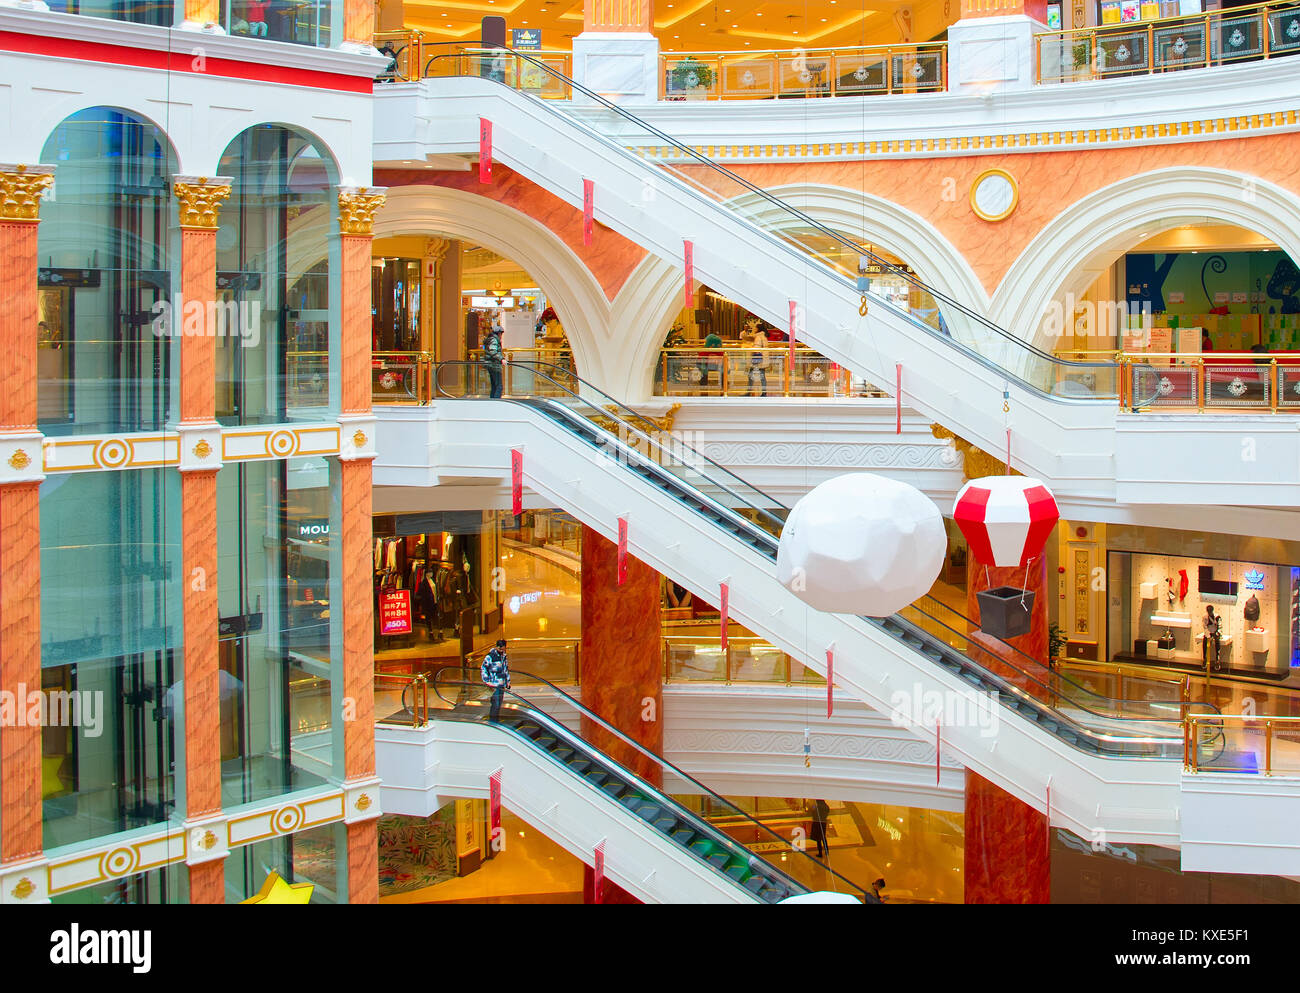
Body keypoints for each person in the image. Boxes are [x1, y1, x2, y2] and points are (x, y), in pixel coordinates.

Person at [481, 639, 510, 722]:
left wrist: (507, 681)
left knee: (499, 703)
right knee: (495, 703)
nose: (501, 648)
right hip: (494, 684)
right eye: (499, 647)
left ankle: (495, 719)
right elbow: (484, 668)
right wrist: (487, 681)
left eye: (502, 647)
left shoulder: (503, 656)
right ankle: (493, 721)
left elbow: (505, 669)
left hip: (501, 684)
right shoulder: (490, 656)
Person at [482, 319, 505, 399]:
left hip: (490, 365)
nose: (501, 335)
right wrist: (501, 359)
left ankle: (492, 401)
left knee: (494, 386)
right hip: (494, 365)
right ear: (499, 333)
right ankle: (496, 403)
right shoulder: (494, 340)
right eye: (501, 334)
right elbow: (493, 351)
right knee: (499, 386)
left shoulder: (490, 339)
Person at [1202, 604, 1221, 672]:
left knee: (1217, 642)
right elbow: (1205, 627)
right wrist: (1208, 636)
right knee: (1205, 642)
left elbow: (1220, 625)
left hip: (1215, 632)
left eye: (1210, 611)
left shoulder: (1217, 616)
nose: (1209, 612)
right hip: (1209, 632)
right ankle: (1204, 658)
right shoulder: (1205, 617)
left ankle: (1217, 659)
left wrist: (1217, 633)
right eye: (1208, 611)